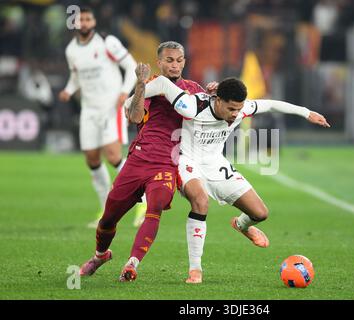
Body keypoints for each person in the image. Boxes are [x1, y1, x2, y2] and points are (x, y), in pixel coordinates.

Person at [125, 71, 330, 284]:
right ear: (218, 100)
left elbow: (270, 104)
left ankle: (241, 225)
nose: (235, 114)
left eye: (238, 109)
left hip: (216, 164)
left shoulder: (240, 109)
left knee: (260, 213)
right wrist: (130, 101)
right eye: (231, 109)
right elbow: (162, 84)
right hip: (187, 162)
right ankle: (195, 269)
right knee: (201, 202)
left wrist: (307, 113)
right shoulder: (192, 106)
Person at [78, 41, 207, 282]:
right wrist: (139, 83)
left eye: (179, 60)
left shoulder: (193, 89)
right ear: (159, 62)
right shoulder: (150, 86)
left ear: (184, 62)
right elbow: (135, 116)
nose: (174, 64)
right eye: (169, 60)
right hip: (138, 160)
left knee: (155, 207)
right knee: (108, 220)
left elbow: (213, 111)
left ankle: (132, 264)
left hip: (167, 164)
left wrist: (216, 90)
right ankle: (100, 255)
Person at [58, 7, 145, 227]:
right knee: (92, 158)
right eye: (80, 20)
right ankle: (105, 210)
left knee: (113, 155)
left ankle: (142, 200)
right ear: (75, 23)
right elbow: (76, 76)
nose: (84, 23)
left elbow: (131, 66)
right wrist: (68, 90)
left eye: (88, 19)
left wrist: (125, 92)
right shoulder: (71, 50)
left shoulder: (108, 43)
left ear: (94, 22)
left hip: (110, 106)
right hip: (89, 109)